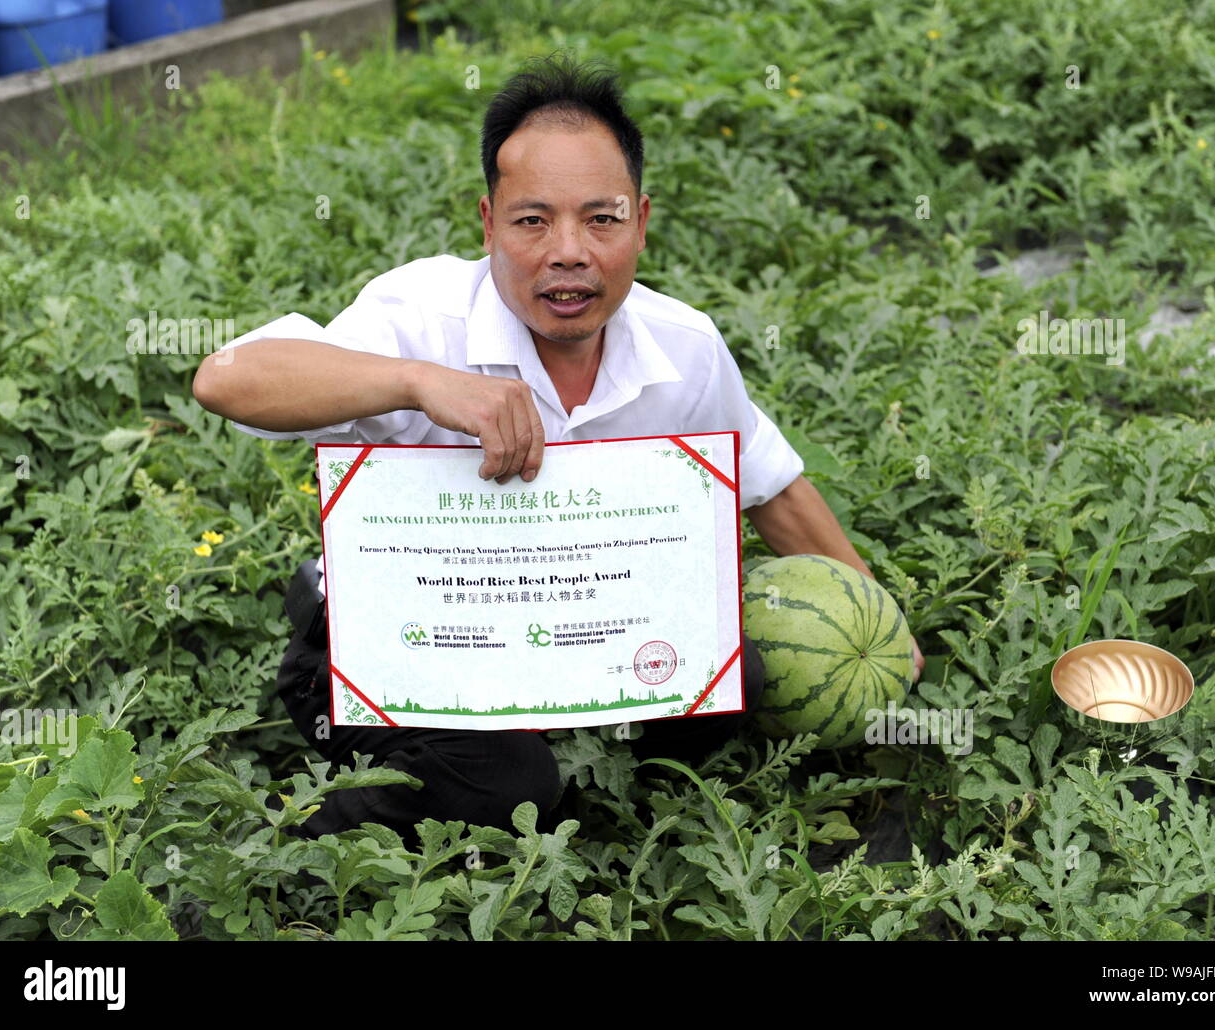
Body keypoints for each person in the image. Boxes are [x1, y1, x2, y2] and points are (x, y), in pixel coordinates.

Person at [192, 52, 924, 845]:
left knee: (737, 677)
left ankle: (564, 764)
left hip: (585, 640)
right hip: (383, 651)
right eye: (532, 220)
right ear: (488, 223)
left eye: (601, 219)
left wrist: (880, 629)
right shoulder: (418, 316)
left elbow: (771, 488)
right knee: (509, 785)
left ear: (641, 221)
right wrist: (417, 383)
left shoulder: (685, 346)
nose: (568, 251)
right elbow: (227, 379)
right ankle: (280, 854)